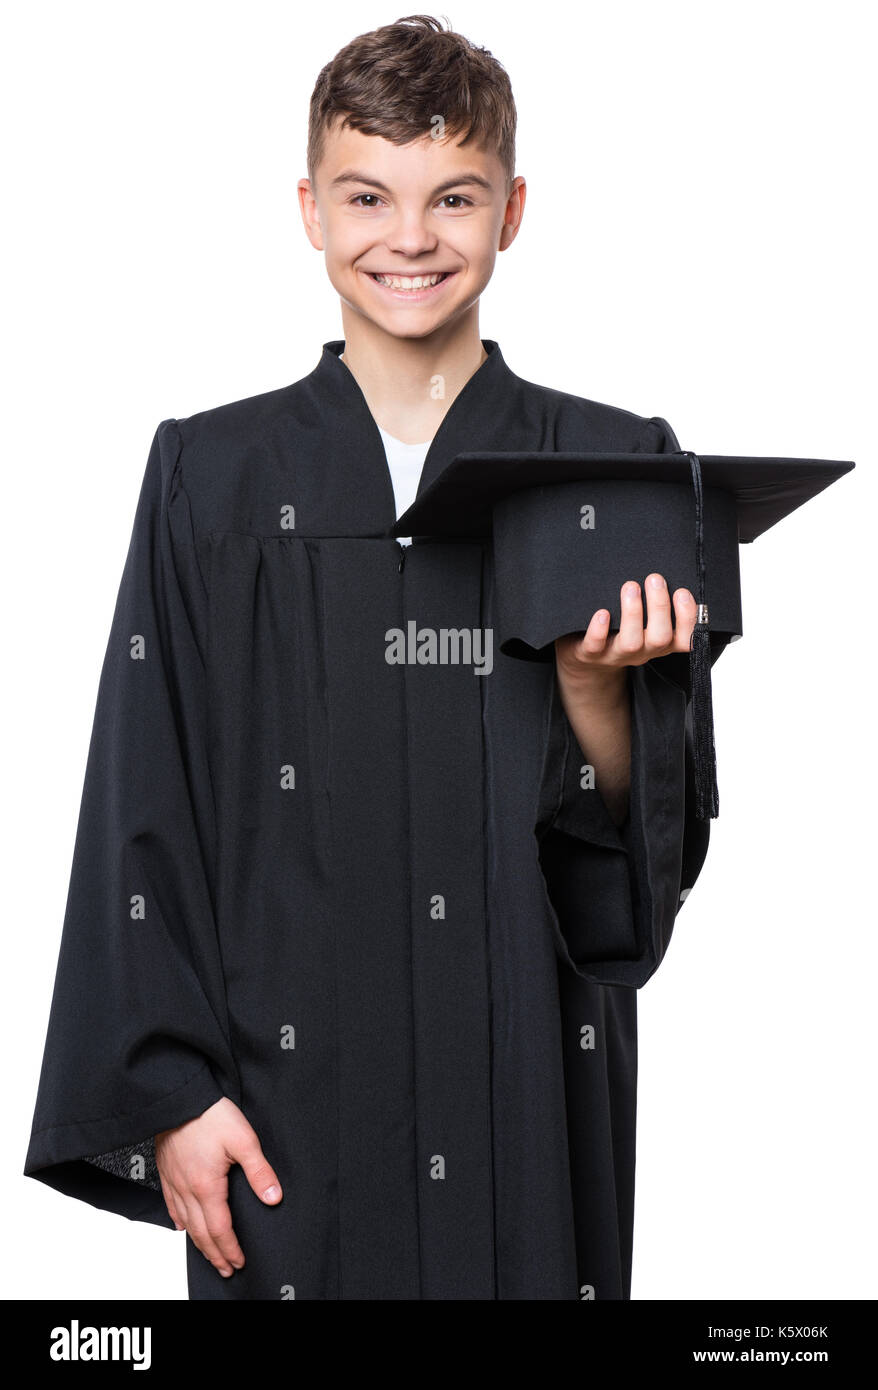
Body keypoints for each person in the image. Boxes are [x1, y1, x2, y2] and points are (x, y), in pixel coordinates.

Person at [24, 14, 710, 1300]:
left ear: (511, 212)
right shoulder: (210, 474)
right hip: (284, 1105)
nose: (409, 237)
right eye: (366, 194)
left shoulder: (606, 467)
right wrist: (171, 1093)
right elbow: (141, 797)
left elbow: (643, 851)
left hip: (524, 1085)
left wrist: (591, 692)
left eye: (453, 196)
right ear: (308, 209)